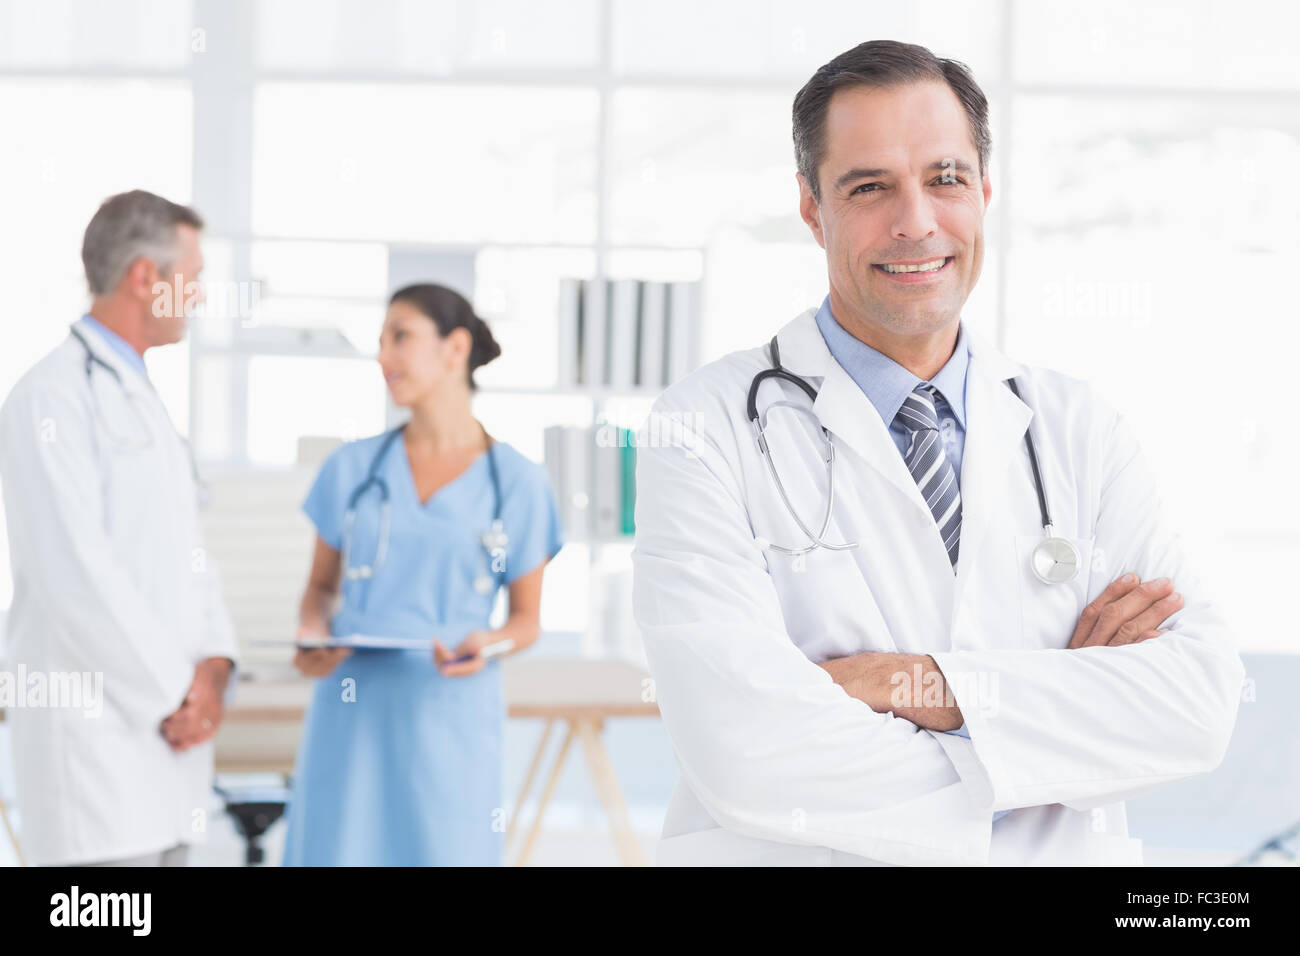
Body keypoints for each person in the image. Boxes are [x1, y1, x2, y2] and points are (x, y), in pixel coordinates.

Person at [631, 40, 1245, 866]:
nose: (916, 220)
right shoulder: (704, 428)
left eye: (945, 178)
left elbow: (1195, 705)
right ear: (813, 209)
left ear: (984, 192)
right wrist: (1053, 732)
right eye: (869, 186)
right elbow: (745, 750)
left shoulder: (1078, 430)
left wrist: (915, 685)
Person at [282, 283, 564, 866]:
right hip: (351, 708)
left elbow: (526, 622)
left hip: (450, 712)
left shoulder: (517, 482)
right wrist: (311, 634)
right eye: (381, 341)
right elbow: (319, 591)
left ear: (455, 348)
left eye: (400, 337)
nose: (384, 357)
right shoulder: (351, 468)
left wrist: (491, 642)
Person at [0, 190, 238, 866]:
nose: (197, 295)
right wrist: (176, 695)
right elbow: (74, 575)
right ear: (145, 277)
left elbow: (189, 553)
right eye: (191, 277)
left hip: (169, 753)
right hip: (97, 753)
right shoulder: (51, 399)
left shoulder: (144, 401)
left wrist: (215, 670)